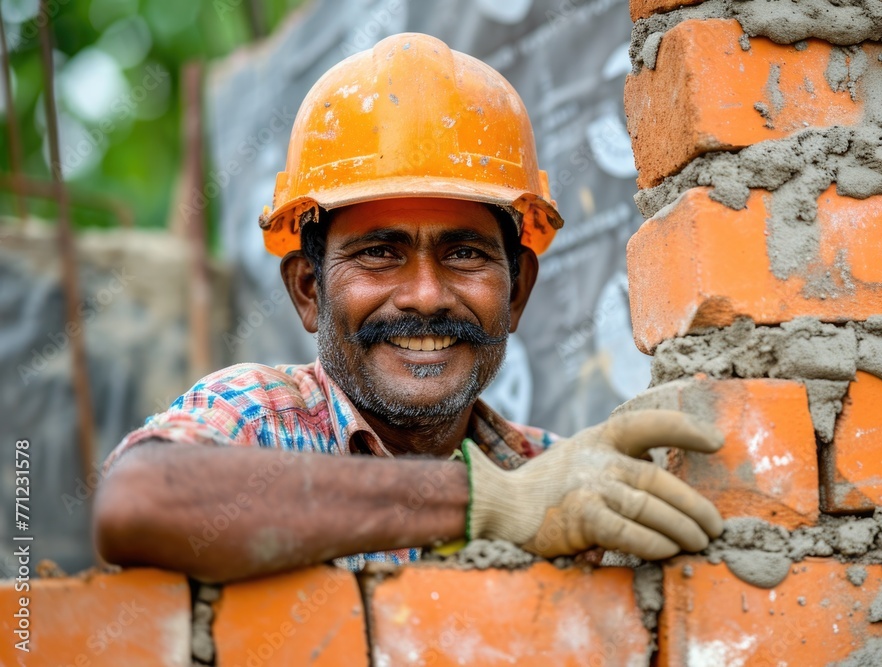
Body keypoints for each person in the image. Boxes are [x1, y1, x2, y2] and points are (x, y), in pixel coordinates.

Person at [94, 33, 724, 583]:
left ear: (518, 292)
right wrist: (486, 503)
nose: (425, 294)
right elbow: (138, 502)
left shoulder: (554, 481)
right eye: (378, 253)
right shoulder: (258, 421)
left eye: (465, 254)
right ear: (309, 290)